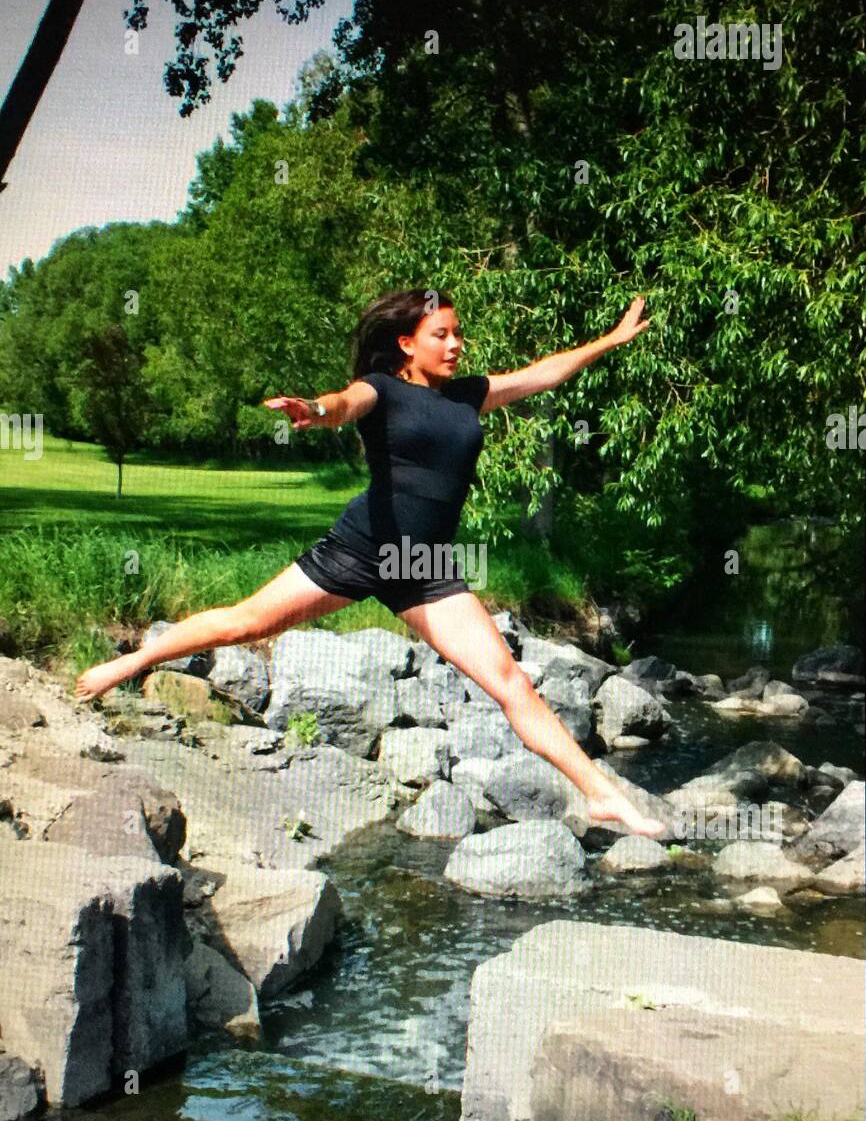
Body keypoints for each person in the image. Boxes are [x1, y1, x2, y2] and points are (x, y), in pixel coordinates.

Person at [74, 288, 664, 838]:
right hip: (361, 549)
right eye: (442, 334)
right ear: (408, 343)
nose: (456, 344)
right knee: (245, 623)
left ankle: (598, 792)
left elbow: (541, 375)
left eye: (458, 333)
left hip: (425, 567)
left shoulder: (468, 394)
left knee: (511, 683)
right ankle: (133, 663)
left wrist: (610, 341)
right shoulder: (382, 387)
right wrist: (313, 408)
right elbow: (342, 403)